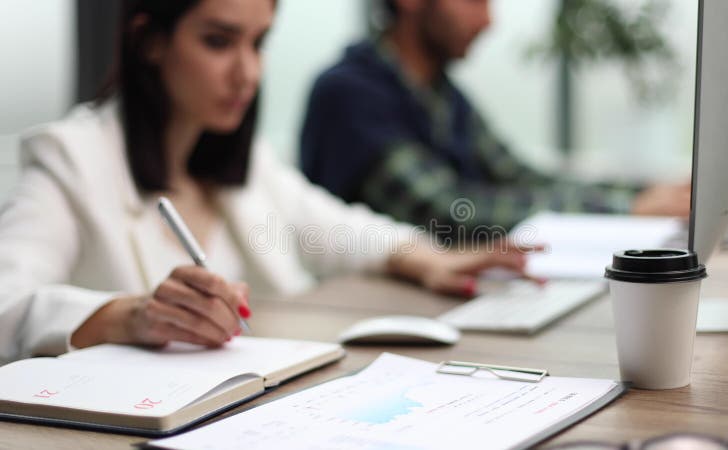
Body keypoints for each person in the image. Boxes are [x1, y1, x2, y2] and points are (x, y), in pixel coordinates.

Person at [0, 0, 534, 363]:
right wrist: (132, 315)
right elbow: (7, 305)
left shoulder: (243, 165)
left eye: (258, 43)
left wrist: (428, 259)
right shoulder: (71, 159)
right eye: (218, 42)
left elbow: (341, 229)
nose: (248, 73)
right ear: (149, 41)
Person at [300, 0, 691, 240]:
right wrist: (625, 211)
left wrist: (642, 194)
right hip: (361, 320)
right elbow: (450, 213)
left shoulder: (443, 96)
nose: (489, 20)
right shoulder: (349, 95)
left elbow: (522, 176)